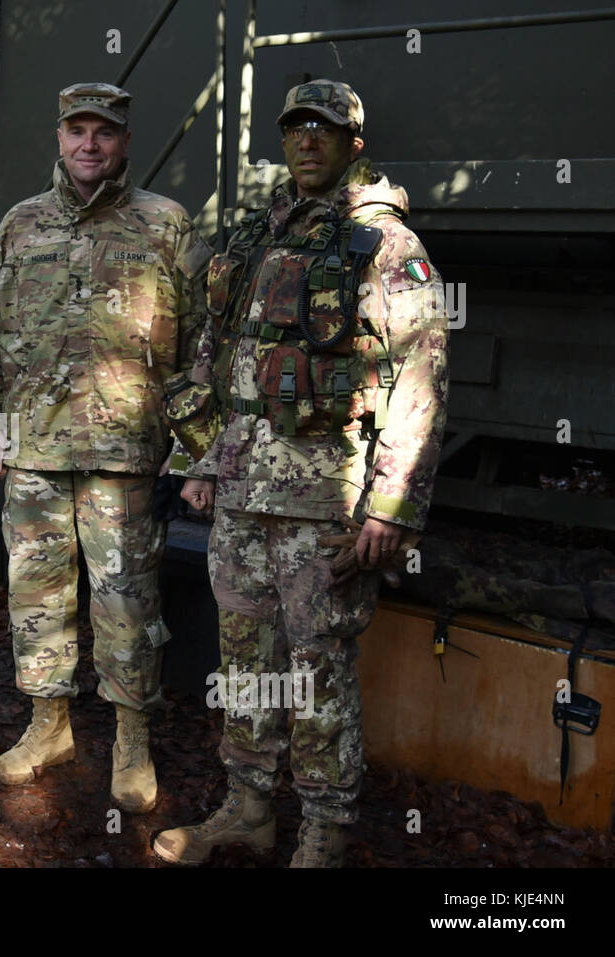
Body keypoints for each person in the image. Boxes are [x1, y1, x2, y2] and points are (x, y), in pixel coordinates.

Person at [151, 79, 448, 866]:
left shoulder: (383, 245)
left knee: (317, 669)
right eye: (296, 128)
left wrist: (392, 507)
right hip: (244, 496)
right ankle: (247, 807)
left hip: (328, 503)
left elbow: (418, 381)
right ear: (283, 142)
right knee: (245, 659)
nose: (308, 140)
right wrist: (204, 457)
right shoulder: (255, 235)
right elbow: (218, 353)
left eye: (325, 129)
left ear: (354, 142)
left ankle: (323, 830)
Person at [0, 82, 210, 813]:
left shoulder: (164, 225)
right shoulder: (19, 226)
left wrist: (196, 446)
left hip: (126, 454)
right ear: (58, 137)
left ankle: (131, 737)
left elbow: (201, 344)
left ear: (125, 142)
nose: (89, 144)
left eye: (103, 132)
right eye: (77, 130)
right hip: (36, 452)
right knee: (37, 598)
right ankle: (48, 723)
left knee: (127, 603)